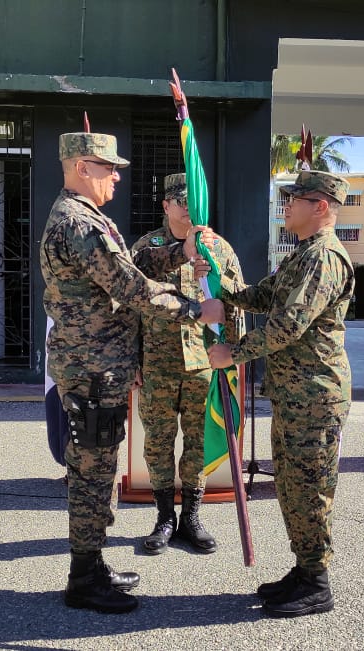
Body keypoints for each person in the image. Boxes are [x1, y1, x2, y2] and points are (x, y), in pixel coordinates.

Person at [40, 132, 223, 614]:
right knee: (92, 475)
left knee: (96, 470)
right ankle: (84, 578)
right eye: (108, 168)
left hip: (96, 364)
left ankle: (93, 565)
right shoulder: (80, 225)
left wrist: (181, 255)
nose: (117, 176)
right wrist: (192, 310)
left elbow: (134, 264)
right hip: (92, 367)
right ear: (83, 167)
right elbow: (134, 287)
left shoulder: (84, 218)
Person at [208, 170, 354, 619]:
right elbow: (260, 296)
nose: (286, 205)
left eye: (296, 198)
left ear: (322, 207)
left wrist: (232, 353)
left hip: (315, 396)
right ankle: (303, 568)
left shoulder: (324, 258)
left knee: (310, 488)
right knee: (291, 486)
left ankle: (316, 581)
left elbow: (290, 325)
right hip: (295, 395)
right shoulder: (302, 255)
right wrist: (219, 287)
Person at [130, 173, 243, 556]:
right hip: (157, 362)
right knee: (158, 442)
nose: (188, 209)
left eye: (193, 202)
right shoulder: (147, 246)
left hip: (204, 362)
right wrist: (132, 358)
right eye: (181, 202)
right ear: (165, 206)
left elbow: (237, 300)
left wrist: (234, 355)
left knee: (197, 442)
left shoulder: (218, 248)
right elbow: (128, 306)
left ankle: (192, 518)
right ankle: (164, 518)